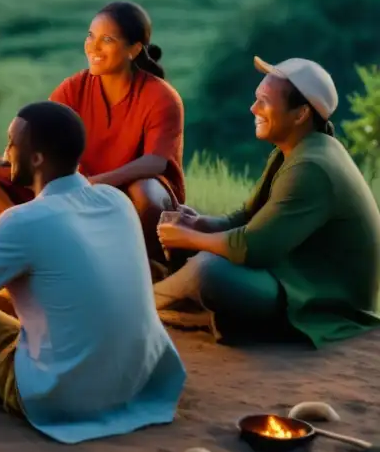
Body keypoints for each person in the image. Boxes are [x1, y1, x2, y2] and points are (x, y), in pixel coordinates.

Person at [0, 101, 186, 444]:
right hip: (143, 380)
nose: (5, 153)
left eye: (11, 143)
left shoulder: (23, 220)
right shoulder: (116, 201)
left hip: (66, 398)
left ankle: (7, 384)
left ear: (36, 158)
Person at [154, 57, 380, 347]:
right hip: (293, 275)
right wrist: (198, 223)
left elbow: (252, 247)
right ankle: (199, 311)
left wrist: (190, 238)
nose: (253, 108)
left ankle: (144, 302)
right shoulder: (292, 150)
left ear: (300, 114)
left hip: (323, 300)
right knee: (202, 254)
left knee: (209, 271)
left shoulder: (311, 166)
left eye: (264, 101)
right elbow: (247, 217)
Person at [0, 1, 185, 273]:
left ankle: (148, 267)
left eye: (106, 40)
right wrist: (14, 156)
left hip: (124, 199)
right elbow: (41, 137)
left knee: (145, 193)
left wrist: (93, 183)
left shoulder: (161, 97)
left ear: (133, 49)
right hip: (72, 194)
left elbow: (154, 163)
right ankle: (27, 240)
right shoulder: (74, 88)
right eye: (90, 36)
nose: (93, 47)